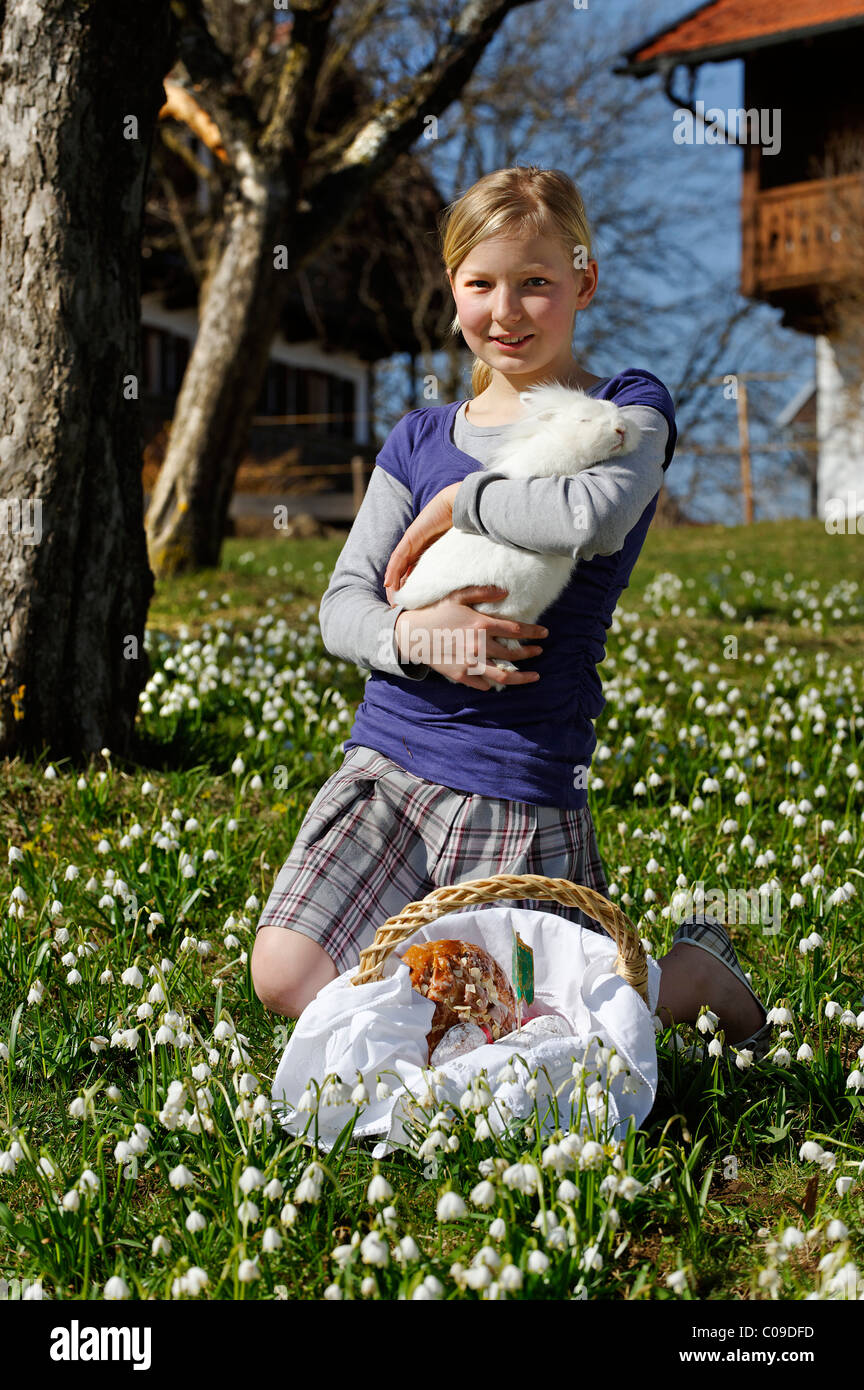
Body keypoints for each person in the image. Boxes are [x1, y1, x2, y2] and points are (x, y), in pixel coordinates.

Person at [251, 166, 770, 1058]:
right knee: (288, 977)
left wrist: (461, 505)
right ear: (452, 288)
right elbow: (343, 604)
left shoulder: (627, 411)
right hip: (389, 758)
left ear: (583, 283)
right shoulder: (418, 439)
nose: (508, 311)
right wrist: (411, 636)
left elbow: (594, 517)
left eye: (536, 283)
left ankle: (681, 975)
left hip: (517, 773)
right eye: (480, 283)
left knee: (514, 1028)